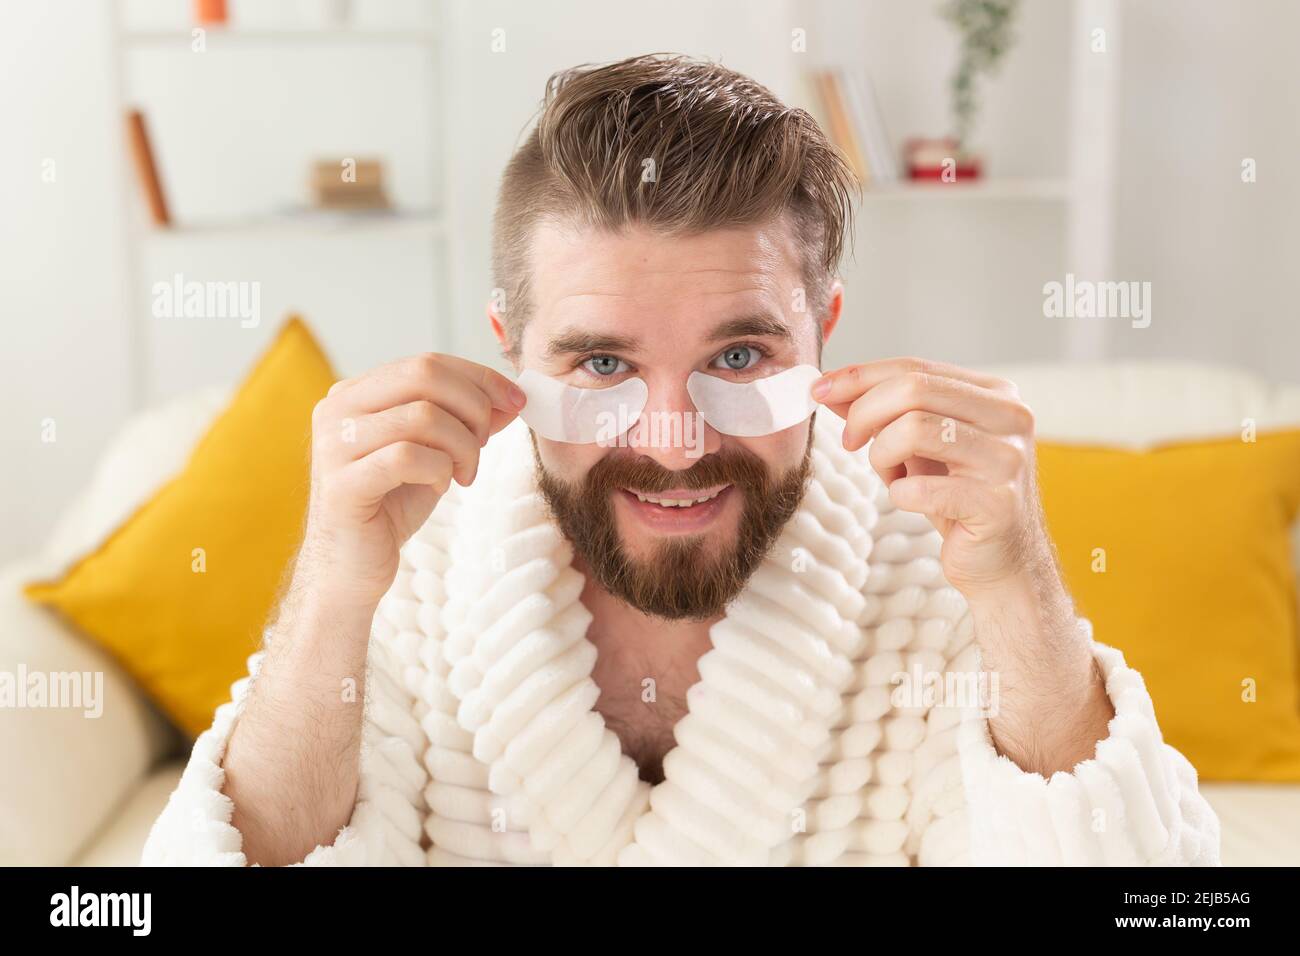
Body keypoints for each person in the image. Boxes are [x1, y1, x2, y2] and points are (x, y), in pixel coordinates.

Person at [142, 54, 1219, 866]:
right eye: (603, 362)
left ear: (825, 332)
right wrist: (332, 589)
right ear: (508, 348)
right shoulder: (413, 561)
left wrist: (1021, 590)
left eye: (739, 355)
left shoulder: (935, 563)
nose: (674, 438)